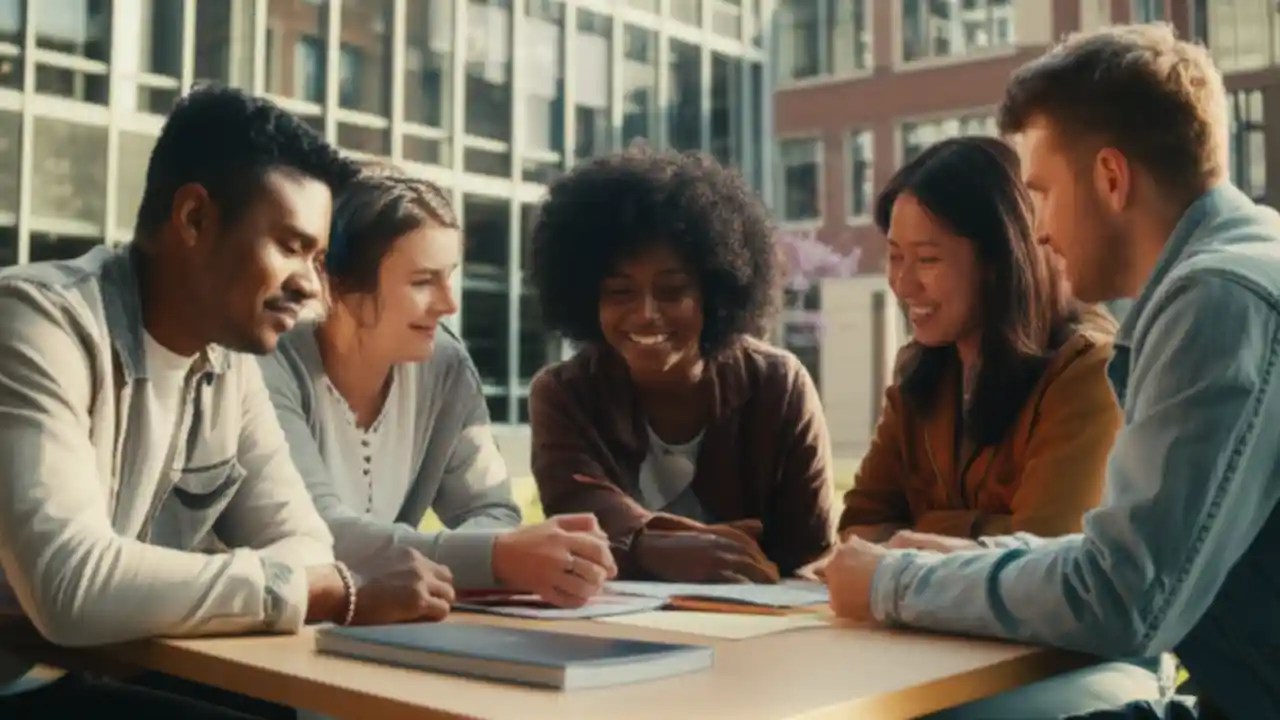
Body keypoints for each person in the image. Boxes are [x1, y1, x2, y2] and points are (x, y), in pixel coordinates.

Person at [824, 24, 1280, 720]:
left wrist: (897, 582)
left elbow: (1125, 597)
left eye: (1039, 192)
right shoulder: (1239, 265)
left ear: (1110, 179)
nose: (1036, 231)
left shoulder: (1217, 297)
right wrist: (952, 563)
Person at [0, 86, 455, 717]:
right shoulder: (37, 322)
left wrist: (308, 582)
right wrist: (322, 593)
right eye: (291, 247)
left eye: (320, 258)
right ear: (193, 219)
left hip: (89, 669)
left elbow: (306, 545)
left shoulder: (230, 361)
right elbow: (73, 585)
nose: (308, 285)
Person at [259, 169, 615, 608]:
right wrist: (496, 557)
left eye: (450, 276)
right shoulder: (271, 363)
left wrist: (493, 555)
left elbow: (491, 510)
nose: (449, 304)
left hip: (380, 626)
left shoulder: (445, 365)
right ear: (339, 283)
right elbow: (316, 532)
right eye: (423, 281)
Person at [527, 149, 835, 583]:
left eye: (672, 292)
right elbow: (578, 509)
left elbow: (811, 551)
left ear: (714, 292)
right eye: (620, 293)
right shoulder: (564, 393)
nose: (646, 313)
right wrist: (657, 549)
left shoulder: (777, 385)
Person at [840, 136, 1121, 547]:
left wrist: (926, 531)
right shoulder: (921, 372)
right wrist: (978, 532)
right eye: (895, 256)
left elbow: (1042, 555)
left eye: (927, 259)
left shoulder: (1087, 370)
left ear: (999, 262)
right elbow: (856, 533)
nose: (903, 284)